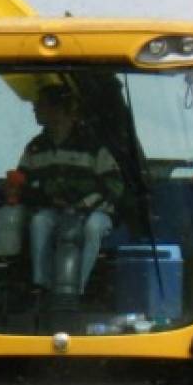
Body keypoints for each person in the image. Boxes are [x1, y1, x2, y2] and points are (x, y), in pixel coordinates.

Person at [17, 83, 122, 300]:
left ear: (58, 109)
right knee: (39, 222)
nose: (34, 110)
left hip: (94, 211)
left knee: (93, 227)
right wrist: (48, 198)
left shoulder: (92, 145)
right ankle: (42, 285)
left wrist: (84, 204)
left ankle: (76, 291)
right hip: (55, 211)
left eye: (40, 106)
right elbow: (23, 184)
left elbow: (114, 185)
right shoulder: (35, 147)